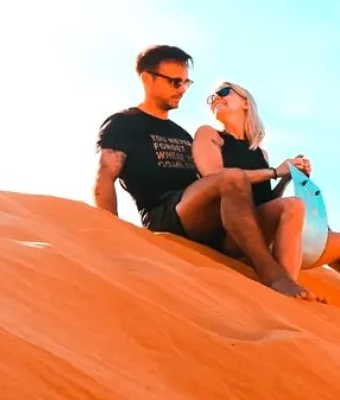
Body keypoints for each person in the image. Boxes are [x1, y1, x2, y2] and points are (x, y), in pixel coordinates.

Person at [94, 46, 312, 301]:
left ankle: (288, 293)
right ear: (147, 78)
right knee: (231, 177)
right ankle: (272, 275)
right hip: (165, 214)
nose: (182, 89)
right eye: (175, 81)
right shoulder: (124, 123)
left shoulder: (181, 134)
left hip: (209, 220)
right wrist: (109, 231)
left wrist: (287, 176)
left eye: (186, 82)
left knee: (289, 205)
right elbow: (105, 177)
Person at [193, 80, 340, 316]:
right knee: (292, 206)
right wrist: (275, 172)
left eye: (223, 92)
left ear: (245, 102)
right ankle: (287, 291)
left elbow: (268, 201)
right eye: (211, 98)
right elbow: (214, 178)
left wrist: (288, 177)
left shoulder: (260, 153)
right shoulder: (210, 135)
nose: (215, 98)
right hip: (231, 232)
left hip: (265, 231)